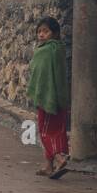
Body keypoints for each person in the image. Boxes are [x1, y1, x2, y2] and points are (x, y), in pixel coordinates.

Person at [28, 17, 70, 178]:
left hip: (47, 97)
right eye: (39, 31)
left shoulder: (45, 51)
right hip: (59, 97)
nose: (41, 35)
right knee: (58, 131)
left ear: (55, 33)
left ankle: (59, 158)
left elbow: (38, 72)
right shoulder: (58, 49)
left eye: (45, 31)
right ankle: (48, 166)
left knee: (45, 131)